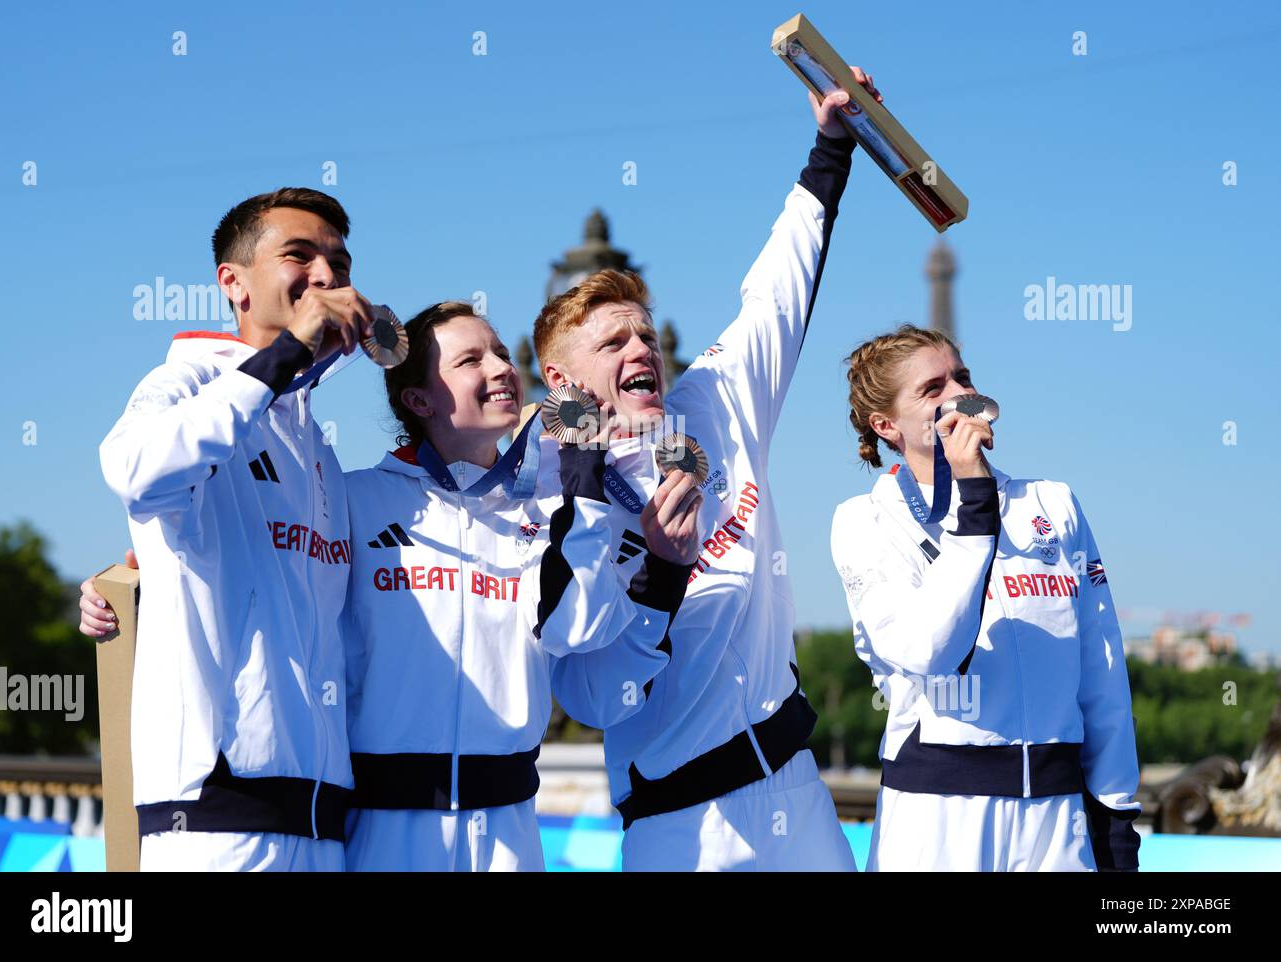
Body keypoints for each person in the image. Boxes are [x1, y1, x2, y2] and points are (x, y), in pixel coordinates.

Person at [527, 76, 878, 871]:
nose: (640, 351)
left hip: (799, 796)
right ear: (560, 377)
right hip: (681, 828)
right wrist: (660, 575)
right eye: (612, 342)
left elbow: (776, 296)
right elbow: (587, 698)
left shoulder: (713, 404)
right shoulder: (549, 496)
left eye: (644, 335)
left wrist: (829, 149)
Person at [341, 303, 700, 870]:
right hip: (384, 829)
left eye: (503, 354)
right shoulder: (354, 500)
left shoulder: (547, 513)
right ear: (418, 400)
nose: (502, 368)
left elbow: (580, 630)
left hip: (509, 829)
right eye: (470, 360)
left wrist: (586, 488)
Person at [95, 188, 373, 870]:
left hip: (322, 821)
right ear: (234, 282)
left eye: (338, 261)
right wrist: (285, 358)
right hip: (215, 822)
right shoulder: (181, 380)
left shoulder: (317, 443)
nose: (325, 276)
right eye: (298, 255)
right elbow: (133, 469)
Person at [829, 323, 1141, 871]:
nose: (957, 394)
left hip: (1055, 817)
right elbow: (932, 654)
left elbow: (1102, 671)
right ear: (886, 425)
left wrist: (1116, 811)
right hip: (937, 818)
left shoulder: (1054, 503)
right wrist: (975, 505)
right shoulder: (865, 520)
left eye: (962, 376)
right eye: (932, 389)